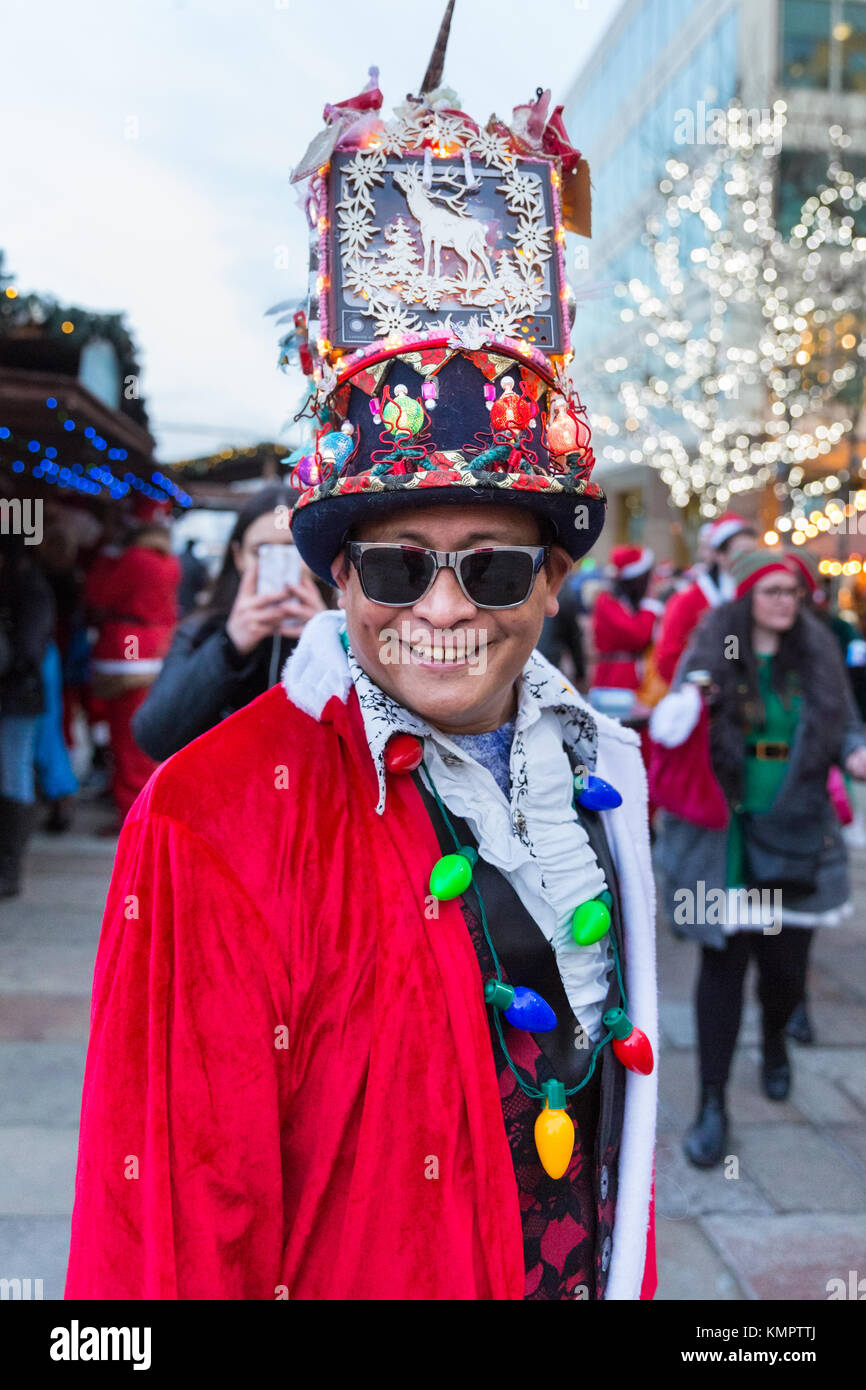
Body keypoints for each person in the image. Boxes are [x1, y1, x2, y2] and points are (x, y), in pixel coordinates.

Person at [66, 75, 658, 1302]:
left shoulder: (608, 771)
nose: (441, 609)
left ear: (553, 582)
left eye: (491, 565)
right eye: (394, 564)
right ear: (337, 579)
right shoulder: (210, 818)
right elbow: (168, 1231)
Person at [652, 549, 866, 1168]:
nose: (784, 602)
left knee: (784, 973)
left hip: (796, 834)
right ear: (747, 596)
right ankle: (711, 1104)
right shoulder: (715, 646)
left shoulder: (817, 653)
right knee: (722, 968)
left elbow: (847, 726)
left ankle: (774, 1042)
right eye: (771, 591)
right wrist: (691, 705)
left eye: (791, 592)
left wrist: (855, 754)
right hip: (728, 842)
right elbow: (679, 712)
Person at [132, 485, 330, 762]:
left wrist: (327, 641)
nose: (278, 564)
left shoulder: (343, 628)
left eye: (292, 549)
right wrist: (229, 645)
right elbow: (153, 736)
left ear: (314, 556)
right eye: (262, 551)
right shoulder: (201, 630)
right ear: (239, 557)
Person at [84, 501, 181, 828]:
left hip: (128, 648)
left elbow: (97, 594)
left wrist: (107, 555)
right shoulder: (168, 559)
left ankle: (131, 814)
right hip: (154, 644)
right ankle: (136, 803)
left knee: (126, 736)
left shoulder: (135, 558)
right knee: (139, 732)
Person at [0, 533, 56, 897]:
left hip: (18, 697)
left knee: (14, 773)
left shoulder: (30, 590)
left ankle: (9, 869)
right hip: (17, 694)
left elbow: (28, 649)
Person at [653, 514, 756, 687]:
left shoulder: (756, 596)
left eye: (754, 553)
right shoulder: (688, 599)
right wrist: (699, 689)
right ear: (720, 555)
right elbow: (667, 658)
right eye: (742, 552)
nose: (751, 559)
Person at [591, 546, 659, 693]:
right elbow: (637, 635)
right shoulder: (606, 601)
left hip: (630, 677)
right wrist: (649, 609)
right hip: (615, 679)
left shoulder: (627, 602)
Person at [176, 537, 209, 618]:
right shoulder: (197, 563)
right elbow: (201, 583)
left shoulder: (176, 559)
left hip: (174, 598)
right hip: (188, 600)